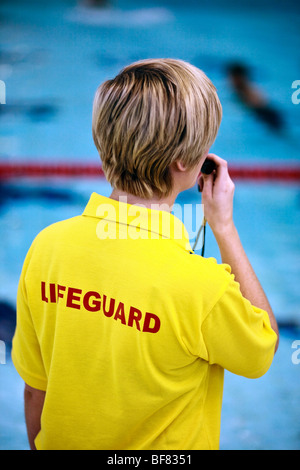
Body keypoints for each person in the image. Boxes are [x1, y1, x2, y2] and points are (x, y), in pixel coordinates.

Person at [12, 59, 279, 451]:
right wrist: (224, 227)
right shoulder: (202, 286)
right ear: (187, 163)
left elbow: (36, 389)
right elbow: (263, 348)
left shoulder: (47, 246)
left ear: (103, 138)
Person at [227, 62, 284, 132]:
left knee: (279, 133)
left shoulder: (247, 90)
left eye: (232, 77)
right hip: (264, 113)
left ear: (239, 77)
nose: (230, 80)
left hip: (266, 114)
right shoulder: (241, 88)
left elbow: (257, 105)